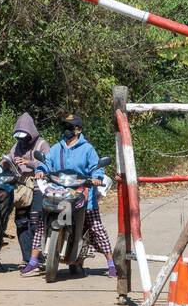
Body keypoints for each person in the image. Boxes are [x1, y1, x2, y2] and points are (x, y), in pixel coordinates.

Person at [21, 113, 117, 279]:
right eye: (64, 127)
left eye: (69, 127)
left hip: (82, 191)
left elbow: (97, 167)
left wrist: (96, 178)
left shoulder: (87, 149)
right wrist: (40, 171)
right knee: (42, 223)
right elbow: (45, 163)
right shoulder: (57, 148)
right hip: (58, 190)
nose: (66, 130)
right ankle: (34, 261)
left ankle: (111, 264)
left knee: (96, 227)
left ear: (78, 130)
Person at [1, 112, 48, 267]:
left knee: (35, 222)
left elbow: (48, 164)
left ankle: (39, 258)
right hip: (21, 187)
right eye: (19, 137)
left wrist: (29, 163)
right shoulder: (17, 146)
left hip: (37, 186)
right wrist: (5, 163)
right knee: (21, 221)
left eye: (25, 137)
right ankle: (27, 259)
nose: (22, 140)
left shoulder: (41, 145)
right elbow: (7, 159)